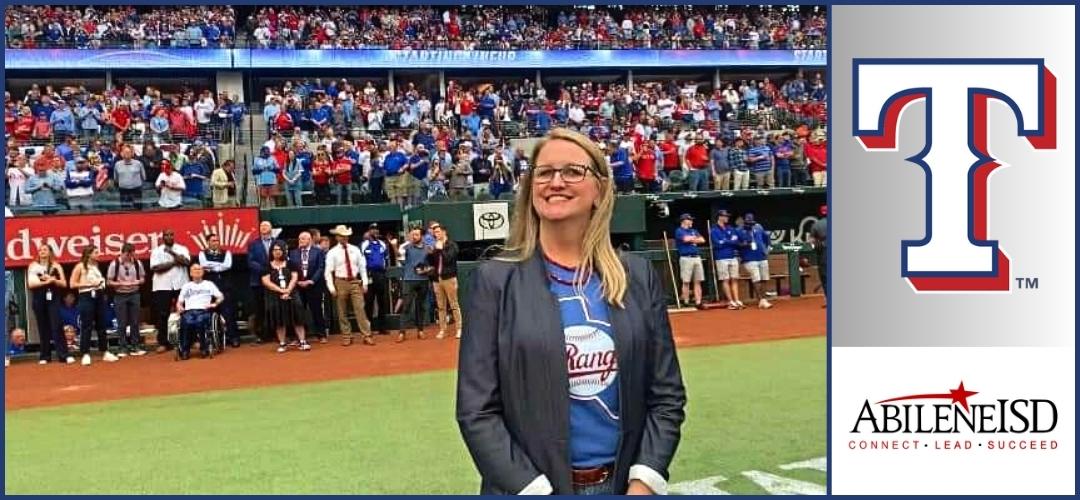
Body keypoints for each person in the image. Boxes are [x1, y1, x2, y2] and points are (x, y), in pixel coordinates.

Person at [457, 128, 686, 495]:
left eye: (572, 171)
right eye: (544, 172)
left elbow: (666, 394)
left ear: (599, 189)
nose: (555, 182)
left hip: (622, 485)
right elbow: (476, 410)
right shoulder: (495, 279)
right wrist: (532, 489)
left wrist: (644, 481)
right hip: (531, 489)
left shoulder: (636, 276)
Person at [324, 225, 374, 346]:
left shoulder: (355, 249)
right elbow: (328, 271)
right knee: (342, 311)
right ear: (337, 237)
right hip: (340, 281)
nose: (344, 238)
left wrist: (365, 282)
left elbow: (362, 267)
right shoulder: (332, 252)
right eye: (341, 235)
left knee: (360, 309)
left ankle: (366, 335)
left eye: (346, 236)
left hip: (354, 281)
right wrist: (331, 287)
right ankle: (347, 336)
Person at [68, 246, 118, 365]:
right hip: (86, 296)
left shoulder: (96, 266)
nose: (98, 254)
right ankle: (85, 353)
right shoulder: (80, 266)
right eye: (95, 252)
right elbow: (72, 284)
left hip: (99, 295)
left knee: (102, 324)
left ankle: (105, 351)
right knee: (87, 325)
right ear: (89, 254)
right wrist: (88, 284)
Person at [262, 241, 312, 353]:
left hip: (292, 294)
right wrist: (281, 291)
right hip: (275, 296)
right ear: (271, 252)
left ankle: (302, 341)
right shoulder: (267, 265)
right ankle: (282, 343)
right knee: (279, 319)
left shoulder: (291, 263)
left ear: (283, 251)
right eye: (274, 250)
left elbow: (295, 278)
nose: (277, 252)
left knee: (297, 317)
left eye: (279, 249)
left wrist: (288, 291)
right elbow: (266, 281)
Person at [28, 245, 72, 364]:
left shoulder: (56, 266)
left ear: (50, 252)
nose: (42, 252)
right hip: (39, 298)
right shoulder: (33, 266)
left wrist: (53, 281)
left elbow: (64, 283)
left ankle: (64, 355)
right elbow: (31, 285)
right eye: (40, 250)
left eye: (45, 250)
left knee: (56, 324)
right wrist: (47, 281)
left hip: (53, 297)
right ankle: (45, 356)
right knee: (43, 327)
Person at [150, 228, 191, 352]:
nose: (169, 237)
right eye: (166, 235)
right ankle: (163, 342)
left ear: (174, 236)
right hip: (162, 286)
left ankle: (190, 340)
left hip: (181, 284)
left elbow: (186, 262)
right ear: (163, 237)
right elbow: (156, 267)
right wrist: (174, 263)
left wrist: (173, 254)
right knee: (162, 315)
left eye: (171, 234)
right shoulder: (156, 251)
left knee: (186, 313)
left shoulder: (182, 248)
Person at [107, 243, 148, 356]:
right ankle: (122, 347)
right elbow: (109, 281)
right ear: (122, 252)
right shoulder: (114, 264)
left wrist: (137, 282)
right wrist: (119, 283)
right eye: (126, 254)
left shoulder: (137, 263)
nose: (128, 257)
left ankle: (135, 346)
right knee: (122, 322)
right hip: (120, 295)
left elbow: (143, 278)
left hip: (134, 294)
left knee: (135, 321)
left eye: (131, 254)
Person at [246, 221, 284, 345]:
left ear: (271, 228)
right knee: (259, 309)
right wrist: (265, 270)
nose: (263, 228)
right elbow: (251, 262)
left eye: (266, 226)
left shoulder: (278, 243)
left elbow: (284, 258)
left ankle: (278, 334)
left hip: (276, 281)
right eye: (261, 226)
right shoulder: (253, 244)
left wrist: (273, 271)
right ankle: (260, 335)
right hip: (258, 281)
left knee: (275, 308)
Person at [198, 233, 239, 347]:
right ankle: (213, 339)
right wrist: (218, 266)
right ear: (208, 242)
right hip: (209, 287)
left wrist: (211, 267)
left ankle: (233, 337)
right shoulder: (202, 253)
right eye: (212, 240)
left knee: (229, 312)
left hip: (225, 286)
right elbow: (203, 265)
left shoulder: (227, 253)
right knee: (210, 313)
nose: (215, 242)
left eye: (217, 240)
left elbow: (227, 265)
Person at [175, 264, 224, 360]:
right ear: (190, 273)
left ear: (203, 272)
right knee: (186, 322)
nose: (197, 271)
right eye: (195, 269)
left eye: (199, 269)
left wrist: (215, 304)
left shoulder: (209, 284)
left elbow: (220, 296)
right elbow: (179, 302)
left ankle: (204, 348)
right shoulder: (186, 286)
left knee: (200, 322)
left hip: (204, 310)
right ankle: (185, 350)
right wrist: (179, 306)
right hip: (189, 311)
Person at [288, 231, 328, 343]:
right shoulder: (293, 253)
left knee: (316, 310)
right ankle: (298, 337)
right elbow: (290, 268)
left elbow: (321, 267)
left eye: (304, 238)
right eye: (300, 238)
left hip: (313, 285)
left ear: (310, 240)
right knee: (298, 311)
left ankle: (321, 334)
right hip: (298, 286)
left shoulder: (318, 252)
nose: (301, 240)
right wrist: (297, 281)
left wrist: (312, 280)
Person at [426, 222, 462, 339]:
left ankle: (459, 328)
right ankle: (442, 329)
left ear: (444, 232)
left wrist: (440, 249)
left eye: (438, 232)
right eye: (434, 232)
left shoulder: (452, 245)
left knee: (454, 304)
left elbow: (448, 259)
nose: (436, 234)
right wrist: (430, 253)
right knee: (441, 306)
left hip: (449, 278)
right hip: (437, 279)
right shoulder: (436, 245)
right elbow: (432, 262)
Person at [397, 227, 431, 342]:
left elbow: (433, 265)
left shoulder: (428, 248)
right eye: (412, 234)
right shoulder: (406, 248)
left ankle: (420, 330)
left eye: (416, 234)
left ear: (421, 236)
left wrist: (426, 270)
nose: (413, 237)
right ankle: (402, 332)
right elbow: (399, 256)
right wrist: (393, 246)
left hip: (423, 281)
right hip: (409, 280)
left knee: (420, 306)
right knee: (406, 306)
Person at [709, 210, 745, 310]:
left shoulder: (730, 228)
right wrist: (730, 241)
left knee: (734, 279)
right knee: (725, 279)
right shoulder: (714, 230)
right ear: (720, 217)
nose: (727, 218)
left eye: (727, 216)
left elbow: (736, 241)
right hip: (721, 257)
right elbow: (718, 244)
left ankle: (737, 300)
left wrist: (726, 241)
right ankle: (730, 301)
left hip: (732, 256)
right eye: (725, 216)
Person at [361, 224, 391, 336]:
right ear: (369, 232)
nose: (375, 232)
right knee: (368, 302)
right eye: (372, 230)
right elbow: (361, 261)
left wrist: (384, 272)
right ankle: (368, 328)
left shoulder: (382, 244)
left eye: (376, 230)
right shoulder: (364, 244)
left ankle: (382, 327)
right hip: (369, 275)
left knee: (382, 302)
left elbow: (386, 259)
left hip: (381, 275)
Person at [740, 213, 773, 309]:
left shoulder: (758, 227)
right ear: (744, 221)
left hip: (761, 256)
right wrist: (745, 244)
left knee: (764, 278)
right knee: (756, 279)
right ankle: (761, 300)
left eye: (751, 222)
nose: (750, 224)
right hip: (749, 258)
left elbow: (766, 237)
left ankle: (763, 299)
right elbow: (737, 244)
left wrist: (768, 248)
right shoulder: (740, 230)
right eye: (748, 222)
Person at [674, 213, 707, 309]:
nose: (691, 221)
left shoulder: (693, 230)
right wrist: (694, 239)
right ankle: (686, 300)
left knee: (698, 281)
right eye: (690, 219)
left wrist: (692, 239)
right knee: (686, 281)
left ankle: (698, 301)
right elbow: (685, 239)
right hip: (686, 257)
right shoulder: (679, 230)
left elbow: (702, 240)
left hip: (696, 257)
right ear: (684, 220)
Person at [809, 204, 828, 308]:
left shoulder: (816, 225)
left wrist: (816, 246)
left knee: (825, 277)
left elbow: (811, 242)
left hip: (824, 253)